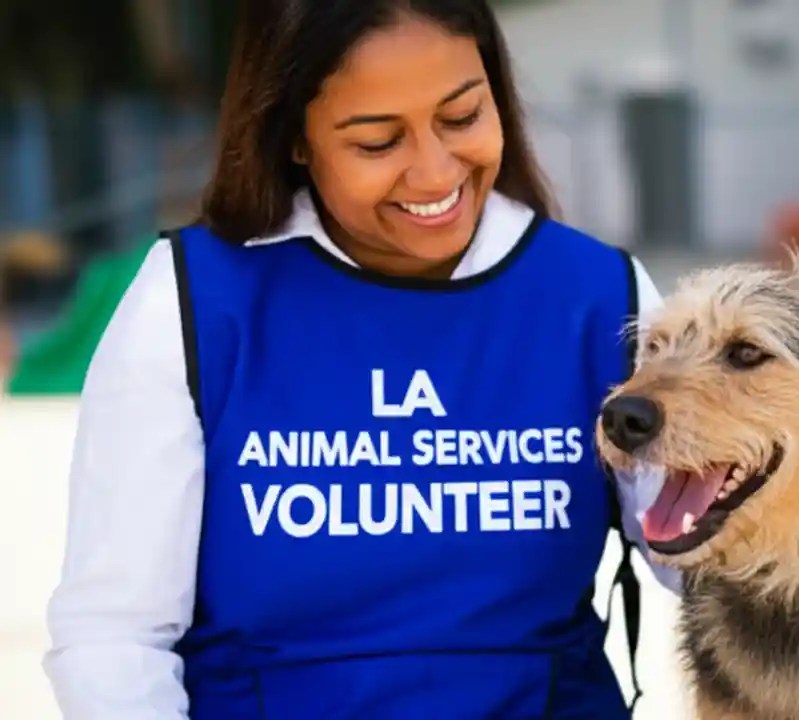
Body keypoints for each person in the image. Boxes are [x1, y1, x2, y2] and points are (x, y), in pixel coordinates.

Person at [42, 1, 681, 717]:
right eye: (378, 142)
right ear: (293, 138)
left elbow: (720, 562)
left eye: (463, 116)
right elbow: (114, 634)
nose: (435, 172)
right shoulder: (194, 301)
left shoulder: (600, 297)